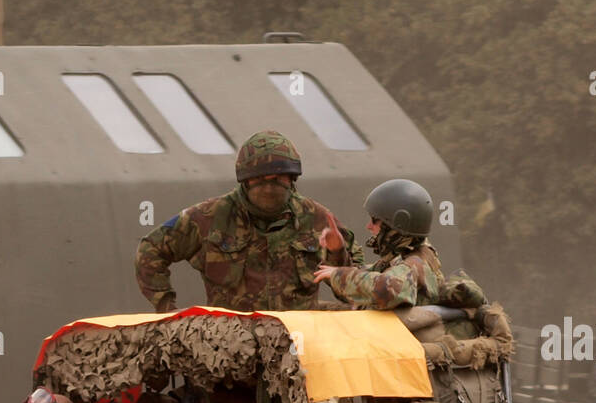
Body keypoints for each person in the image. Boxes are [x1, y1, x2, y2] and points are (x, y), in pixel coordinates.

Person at [134, 130, 365, 313]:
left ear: (292, 178)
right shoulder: (209, 217)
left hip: (298, 345)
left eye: (277, 179)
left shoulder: (317, 219)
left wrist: (337, 252)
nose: (269, 187)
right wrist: (167, 310)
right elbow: (151, 250)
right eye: (260, 179)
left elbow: (356, 289)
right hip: (232, 347)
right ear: (246, 181)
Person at [312, 178, 443, 309]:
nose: (369, 226)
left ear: (396, 225)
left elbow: (389, 290)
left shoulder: (416, 263)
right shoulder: (399, 258)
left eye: (375, 221)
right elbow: (358, 288)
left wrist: (340, 276)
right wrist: (336, 250)